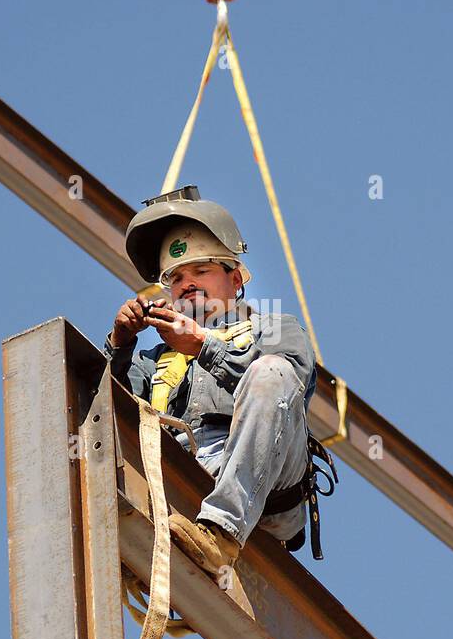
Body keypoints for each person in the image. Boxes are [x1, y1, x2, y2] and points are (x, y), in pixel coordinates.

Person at [103, 185, 318, 576]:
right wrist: (120, 344)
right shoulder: (156, 362)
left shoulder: (274, 330)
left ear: (235, 280)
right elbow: (99, 412)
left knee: (271, 372)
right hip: (183, 482)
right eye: (178, 277)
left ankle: (221, 532)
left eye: (202, 270)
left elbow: (289, 389)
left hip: (267, 487)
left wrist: (203, 345)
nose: (188, 283)